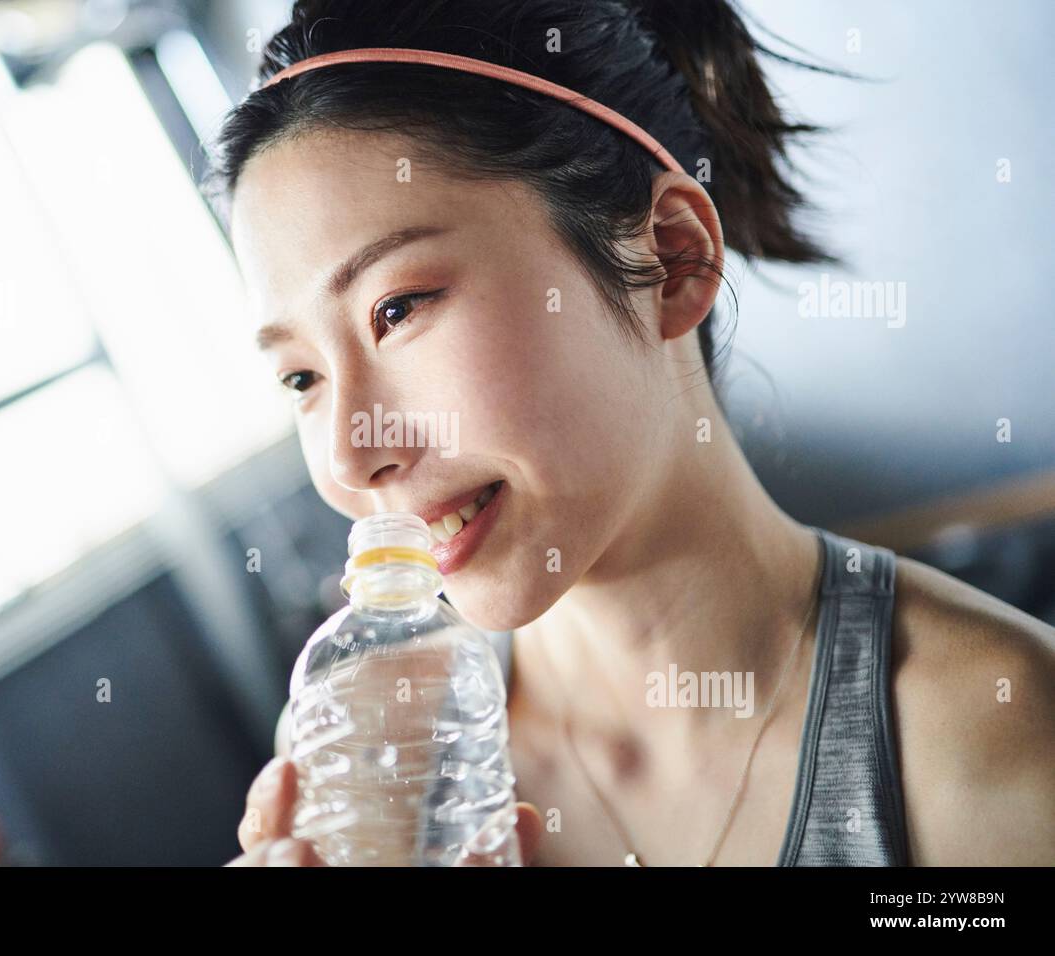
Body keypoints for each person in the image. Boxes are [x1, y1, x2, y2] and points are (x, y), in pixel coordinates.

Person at [209, 0, 1055, 866]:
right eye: (301, 378)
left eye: (398, 308)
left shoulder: (1002, 746)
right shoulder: (374, 754)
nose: (353, 454)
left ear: (671, 255)